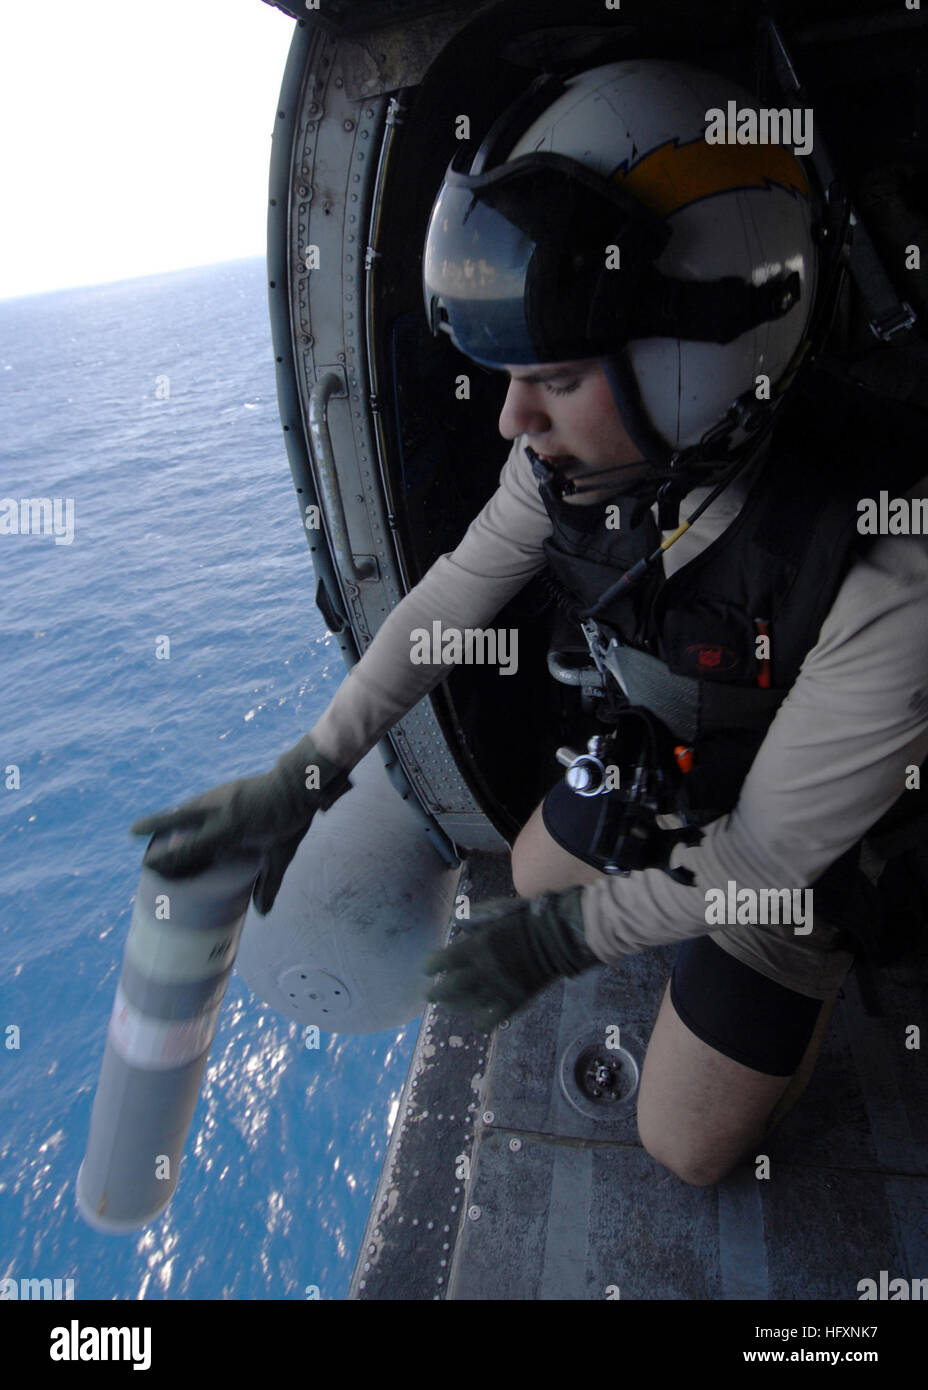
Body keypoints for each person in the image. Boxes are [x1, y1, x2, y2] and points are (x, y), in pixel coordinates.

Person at [132, 60, 928, 1187]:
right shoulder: (569, 469)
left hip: (785, 854)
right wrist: (306, 771)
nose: (514, 418)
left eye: (551, 377)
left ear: (699, 365)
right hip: (675, 769)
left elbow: (760, 858)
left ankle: (824, 959)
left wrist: (559, 945)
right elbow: (450, 601)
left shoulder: (887, 560)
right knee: (530, 867)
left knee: (684, 1146)